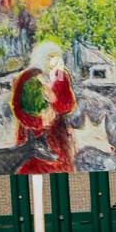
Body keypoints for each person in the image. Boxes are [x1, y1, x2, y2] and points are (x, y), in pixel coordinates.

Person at [14, 41, 77, 175]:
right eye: (50, 57)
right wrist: (39, 122)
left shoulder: (61, 76)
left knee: (60, 168)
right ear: (41, 58)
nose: (54, 61)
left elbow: (69, 104)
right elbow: (18, 108)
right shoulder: (28, 77)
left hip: (57, 135)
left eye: (57, 57)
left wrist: (54, 99)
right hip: (33, 136)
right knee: (33, 169)